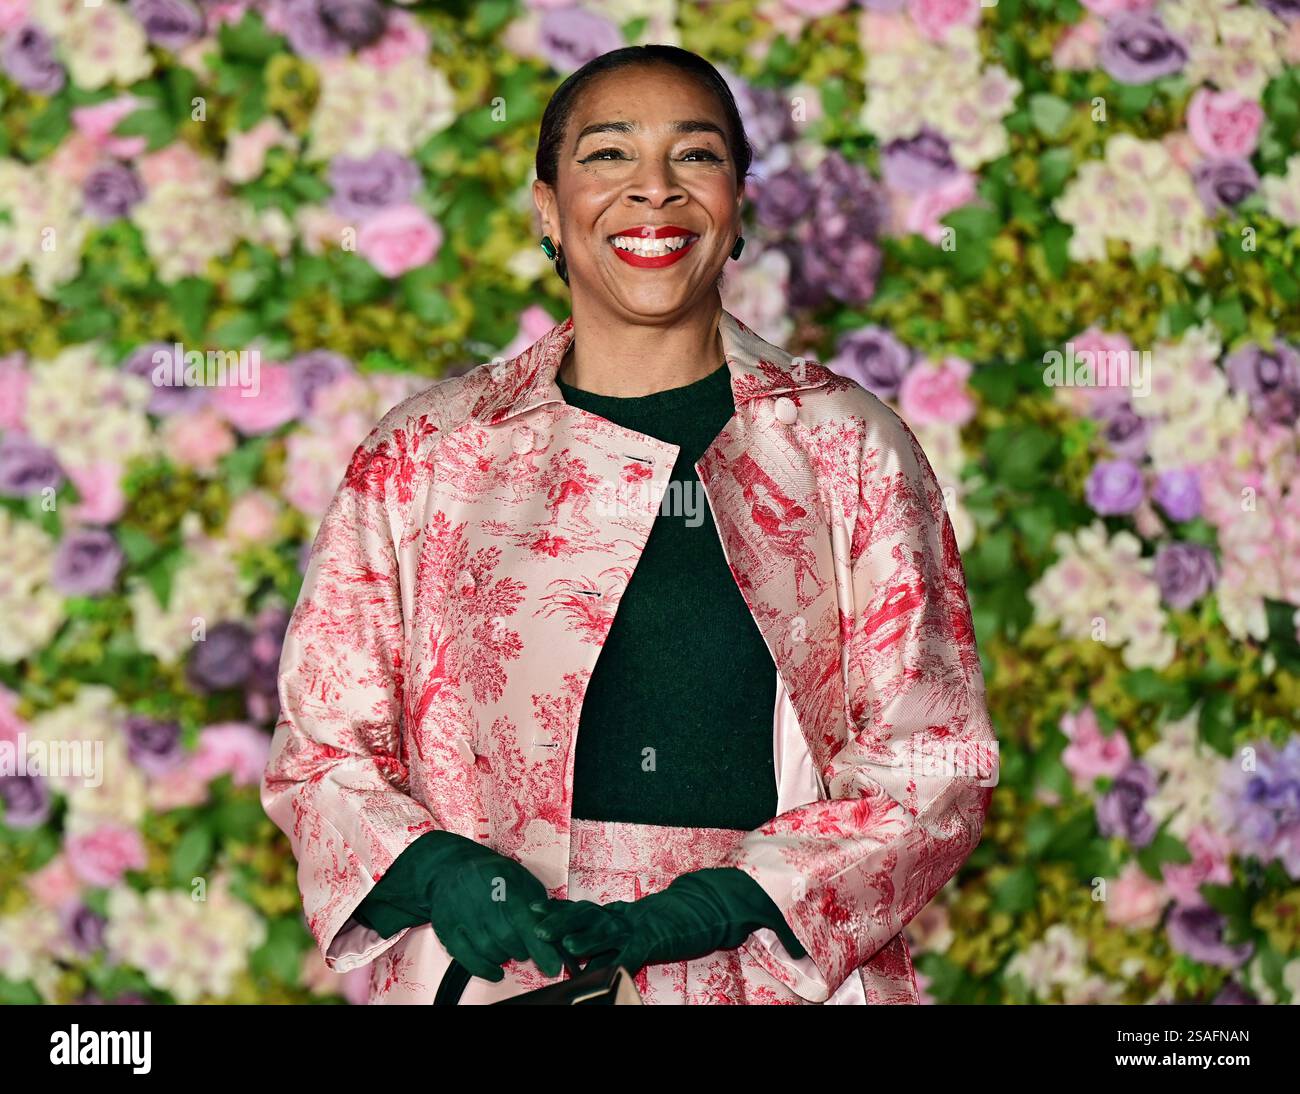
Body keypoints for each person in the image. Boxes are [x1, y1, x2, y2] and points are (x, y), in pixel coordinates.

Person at [261, 43, 997, 1005]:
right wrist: (445, 872)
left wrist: (711, 907)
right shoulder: (426, 456)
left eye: (695, 157)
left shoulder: (849, 447)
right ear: (545, 209)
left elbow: (934, 759)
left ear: (739, 208)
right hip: (498, 980)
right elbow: (322, 754)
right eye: (609, 156)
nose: (654, 192)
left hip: (767, 977)